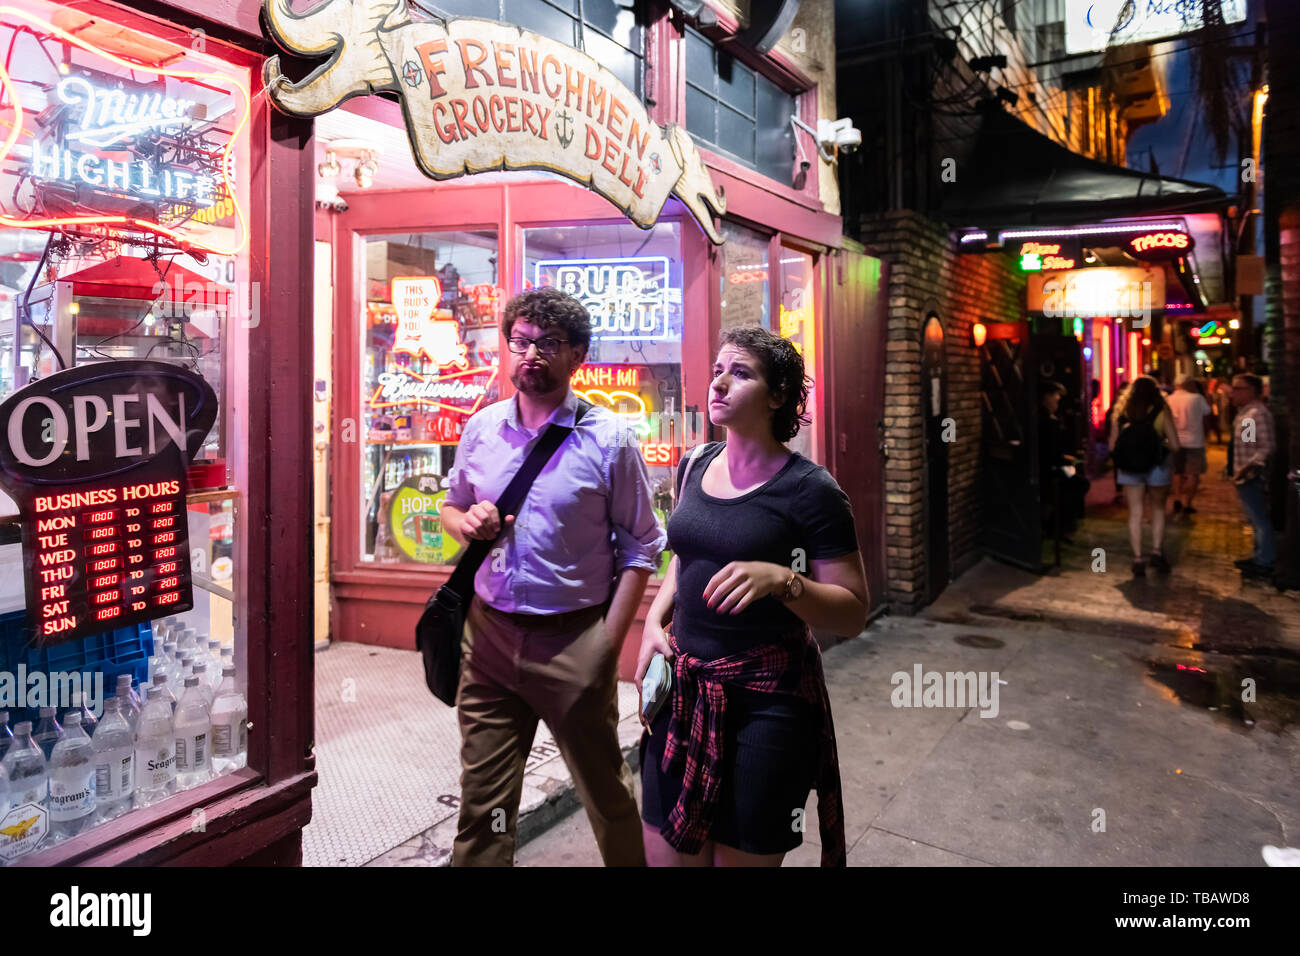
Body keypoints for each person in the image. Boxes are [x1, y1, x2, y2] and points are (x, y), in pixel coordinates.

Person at [441, 287, 666, 866]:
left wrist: (608, 643)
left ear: (578, 355)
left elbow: (644, 546)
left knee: (607, 795)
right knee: (481, 808)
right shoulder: (482, 430)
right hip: (488, 639)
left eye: (548, 343)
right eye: (520, 341)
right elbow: (452, 506)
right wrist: (467, 521)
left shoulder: (610, 440)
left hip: (573, 638)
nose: (530, 354)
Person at [635, 326, 868, 867]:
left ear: (778, 395)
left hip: (768, 707)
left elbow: (853, 611)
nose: (719, 383)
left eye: (740, 373)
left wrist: (783, 581)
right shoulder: (695, 463)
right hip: (684, 695)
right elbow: (684, 558)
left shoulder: (812, 491)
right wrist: (654, 621)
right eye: (718, 370)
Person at [1109, 375, 1180, 577]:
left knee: (1135, 512)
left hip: (1129, 467)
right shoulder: (1161, 412)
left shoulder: (1122, 413)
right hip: (1157, 466)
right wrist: (1160, 444)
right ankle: (1156, 552)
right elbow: (1175, 445)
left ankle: (1138, 558)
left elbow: (1112, 446)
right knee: (1158, 508)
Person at [1230, 373, 1276, 580]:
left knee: (1260, 519)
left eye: (1238, 388)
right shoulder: (1247, 414)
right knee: (1255, 518)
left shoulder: (1255, 414)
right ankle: (1259, 556)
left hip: (1251, 475)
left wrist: (1247, 468)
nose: (1233, 393)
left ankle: (1264, 560)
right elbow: (1250, 444)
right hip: (1245, 474)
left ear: (1251, 391)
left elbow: (1264, 448)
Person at [1038, 381, 1090, 538]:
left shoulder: (1049, 418)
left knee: (1076, 481)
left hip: (1052, 465)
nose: (1058, 399)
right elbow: (1051, 452)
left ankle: (1060, 523)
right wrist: (1067, 460)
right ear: (1047, 397)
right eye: (1056, 396)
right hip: (1049, 468)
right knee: (1078, 484)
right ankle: (1059, 524)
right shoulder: (1046, 420)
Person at [1166, 375, 1211, 515]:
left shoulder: (1169, 399)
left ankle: (1177, 498)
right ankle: (1188, 503)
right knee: (1193, 473)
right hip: (1195, 441)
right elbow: (1207, 411)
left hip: (1175, 440)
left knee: (1177, 472)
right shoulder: (1196, 398)